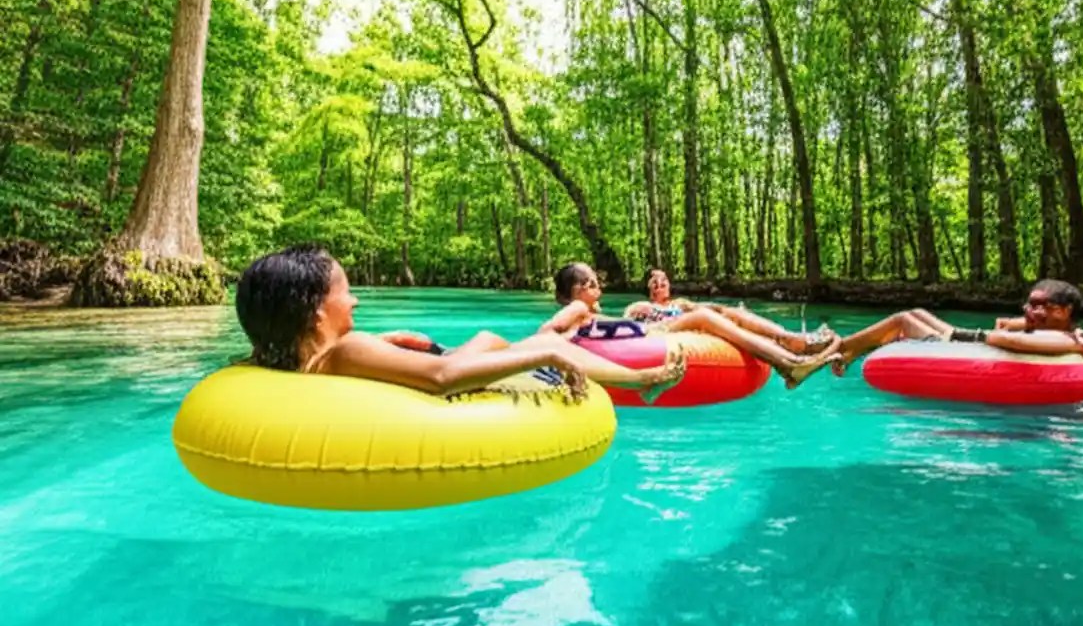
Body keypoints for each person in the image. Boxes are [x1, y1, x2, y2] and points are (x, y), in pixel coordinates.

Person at [235, 245, 685, 403]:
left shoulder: (294, 359)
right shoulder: (344, 352)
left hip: (413, 364)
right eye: (345, 291)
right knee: (507, 339)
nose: (354, 299)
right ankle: (642, 379)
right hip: (452, 372)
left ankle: (636, 379)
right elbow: (442, 378)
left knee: (511, 340)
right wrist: (545, 353)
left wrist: (385, 343)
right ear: (316, 313)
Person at [540, 262, 838, 389]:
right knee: (706, 317)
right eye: (586, 283)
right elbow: (549, 332)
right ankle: (788, 362)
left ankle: (790, 352)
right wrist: (552, 349)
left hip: (649, 334)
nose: (594, 287)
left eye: (594, 281)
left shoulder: (588, 311)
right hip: (648, 334)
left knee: (713, 313)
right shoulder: (578, 308)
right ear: (569, 294)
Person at [830, 279, 1083, 376]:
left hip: (961, 343)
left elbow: (1011, 342)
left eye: (1039, 306)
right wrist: (1022, 322)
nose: (1028, 310)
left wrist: (995, 334)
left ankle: (840, 349)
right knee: (915, 313)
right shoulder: (1054, 328)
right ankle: (846, 351)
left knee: (904, 320)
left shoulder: (1070, 340)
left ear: (1064, 311)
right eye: (1029, 304)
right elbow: (1012, 327)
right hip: (964, 340)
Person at [623, 267, 835, 355]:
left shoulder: (681, 304)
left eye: (663, 281)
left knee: (733, 314)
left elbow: (709, 308)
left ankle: (790, 338)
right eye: (655, 282)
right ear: (649, 289)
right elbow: (625, 320)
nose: (660, 284)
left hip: (693, 330)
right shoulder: (642, 307)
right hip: (667, 334)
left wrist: (732, 311)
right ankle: (790, 342)